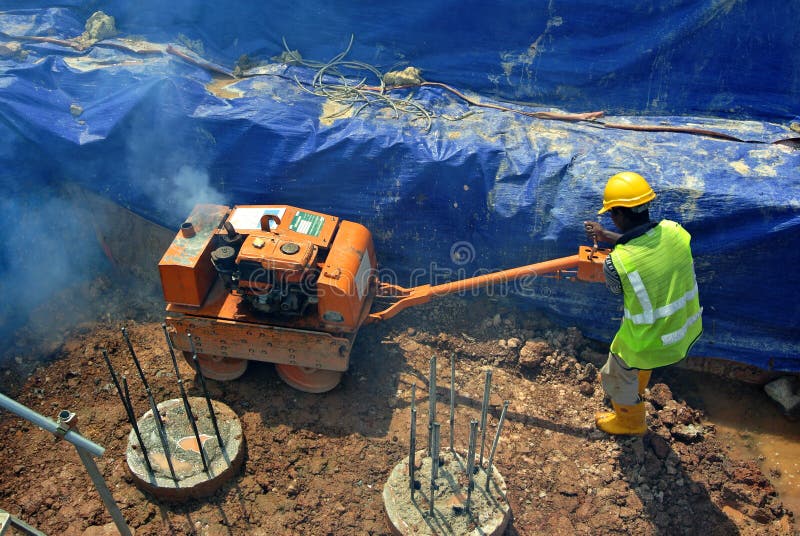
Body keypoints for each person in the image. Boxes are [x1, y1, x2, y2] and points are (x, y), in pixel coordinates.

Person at [583, 171, 702, 435]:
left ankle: (630, 423)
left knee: (613, 376)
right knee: (638, 365)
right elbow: (645, 242)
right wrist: (604, 235)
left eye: (612, 215)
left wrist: (610, 257)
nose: (611, 219)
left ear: (620, 215)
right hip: (684, 328)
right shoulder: (675, 231)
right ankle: (635, 388)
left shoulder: (618, 263)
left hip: (647, 342)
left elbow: (617, 288)